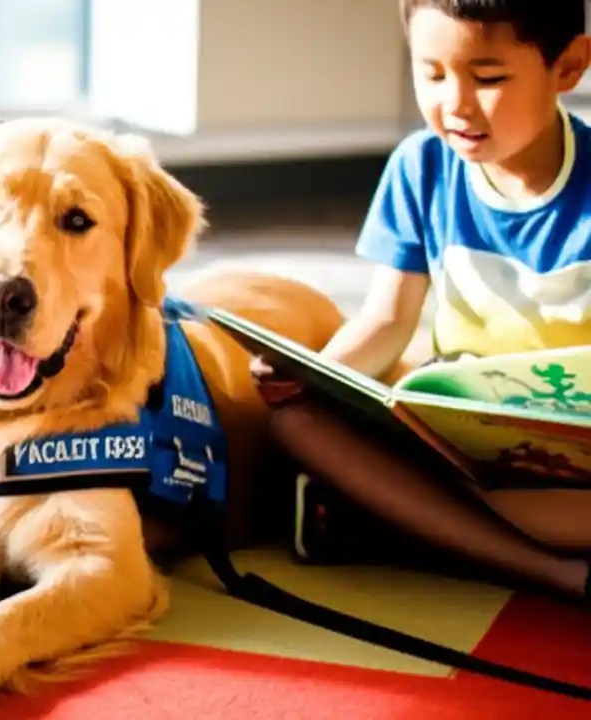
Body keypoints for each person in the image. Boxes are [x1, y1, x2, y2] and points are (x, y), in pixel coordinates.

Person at [252, 0, 591, 602]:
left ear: (569, 67)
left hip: (575, 460)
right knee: (298, 423)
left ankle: (411, 524)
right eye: (431, 73)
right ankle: (550, 569)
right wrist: (319, 374)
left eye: (488, 79)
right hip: (465, 448)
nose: (455, 105)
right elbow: (387, 318)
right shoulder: (421, 167)